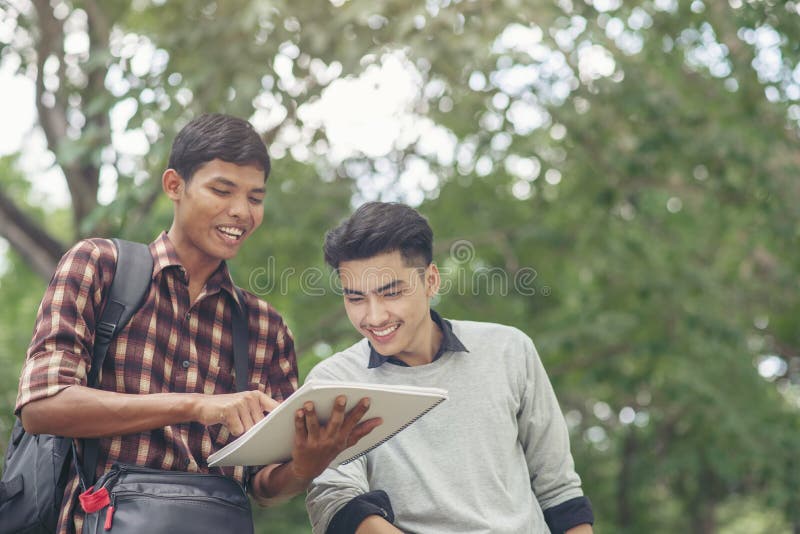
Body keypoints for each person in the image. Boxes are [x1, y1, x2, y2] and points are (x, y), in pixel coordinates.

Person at [16, 113, 380, 534]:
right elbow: (42, 407)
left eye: (255, 198)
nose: (240, 211)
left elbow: (263, 485)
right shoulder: (99, 266)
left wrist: (306, 465)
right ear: (174, 185)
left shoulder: (266, 328)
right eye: (221, 191)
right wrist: (195, 405)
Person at [305, 202, 594, 534]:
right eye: (356, 299)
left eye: (391, 293)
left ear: (430, 281)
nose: (374, 316)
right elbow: (338, 505)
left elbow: (560, 494)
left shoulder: (509, 349)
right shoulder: (335, 382)